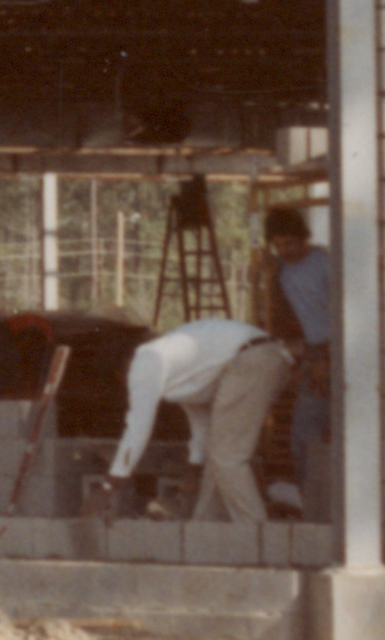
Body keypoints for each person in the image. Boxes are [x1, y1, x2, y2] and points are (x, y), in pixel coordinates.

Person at [108, 317, 291, 523]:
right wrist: (194, 469)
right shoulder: (178, 370)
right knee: (219, 455)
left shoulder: (145, 360)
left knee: (227, 457)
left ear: (122, 369)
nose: (131, 387)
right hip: (267, 356)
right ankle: (203, 530)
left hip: (249, 359)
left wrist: (109, 487)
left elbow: (138, 429)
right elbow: (202, 424)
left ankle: (258, 535)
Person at [262, 206, 335, 524]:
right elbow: (283, 318)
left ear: (304, 239)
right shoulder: (283, 269)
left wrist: (329, 359)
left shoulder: (325, 264)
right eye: (278, 245)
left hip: (337, 354)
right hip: (313, 355)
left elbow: (348, 314)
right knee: (302, 438)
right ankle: (312, 506)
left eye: (290, 243)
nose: (285, 251)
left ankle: (329, 508)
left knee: (331, 432)